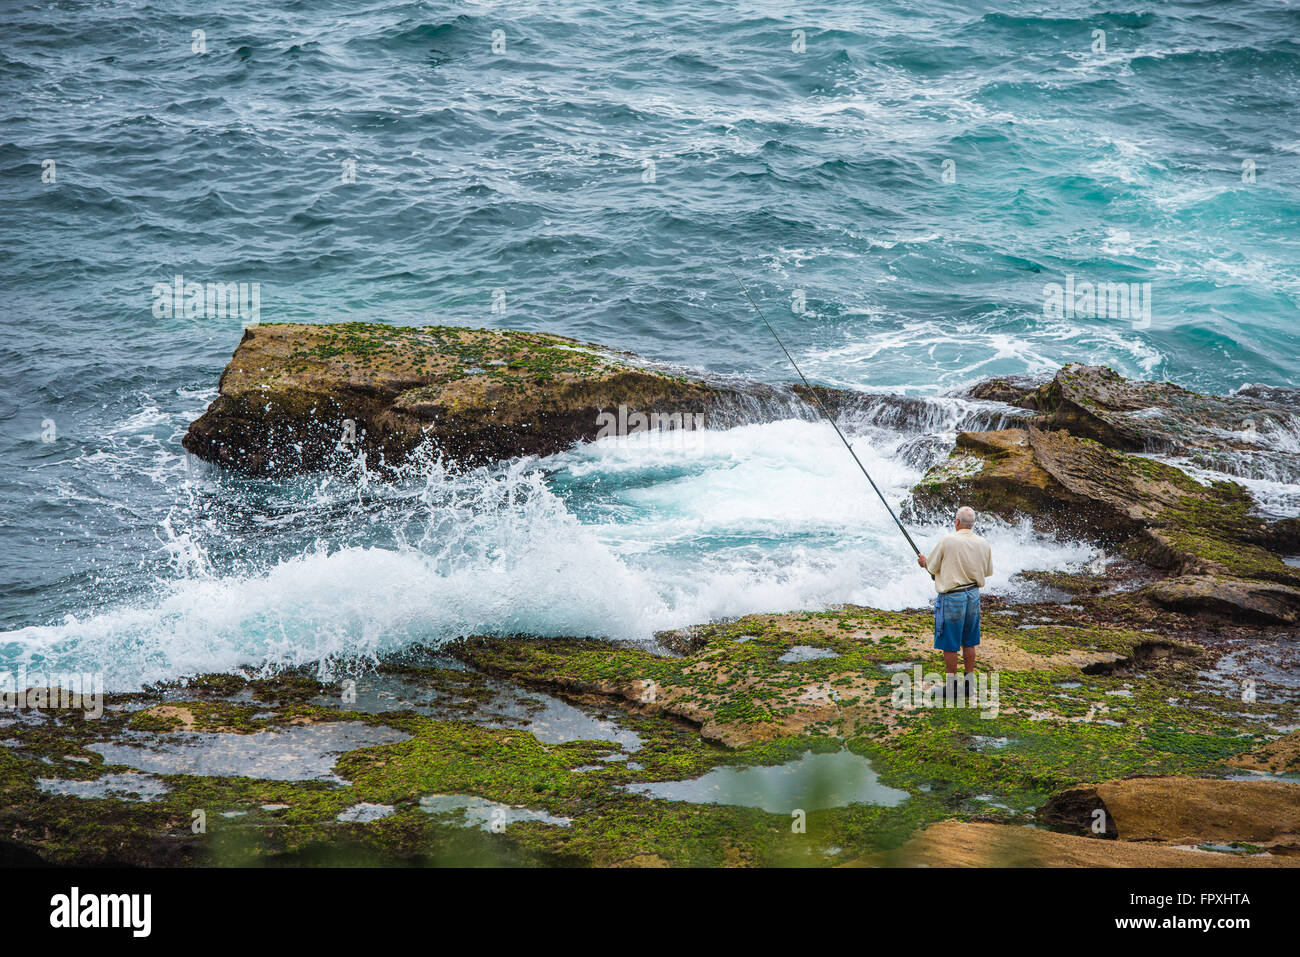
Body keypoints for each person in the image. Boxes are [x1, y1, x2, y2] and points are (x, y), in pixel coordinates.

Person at [917, 506, 993, 702]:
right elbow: (986, 571)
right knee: (969, 641)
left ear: (957, 522)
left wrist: (924, 562)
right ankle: (968, 686)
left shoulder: (948, 541)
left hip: (953, 598)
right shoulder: (983, 543)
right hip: (973, 595)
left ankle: (951, 688)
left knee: (950, 645)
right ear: (972, 524)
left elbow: (932, 567)